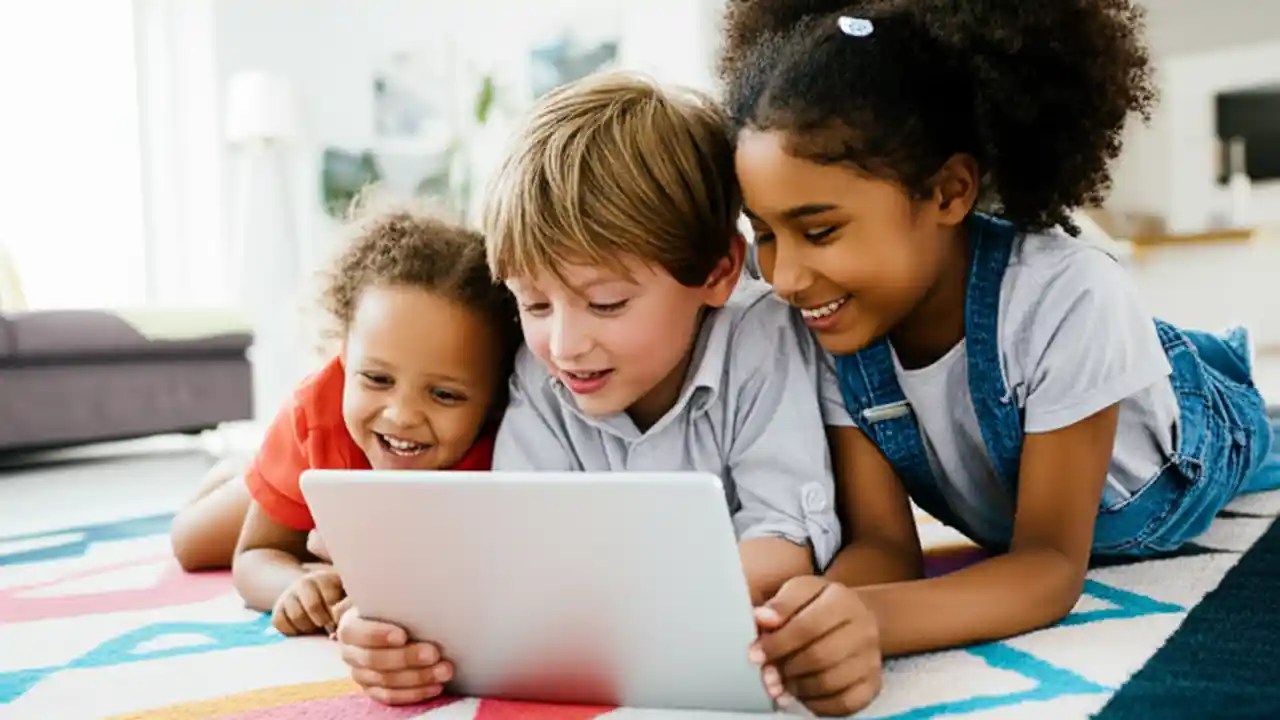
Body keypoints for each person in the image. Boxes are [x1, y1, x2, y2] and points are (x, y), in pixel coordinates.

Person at [718, 0, 1280, 714]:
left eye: (820, 231)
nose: (785, 278)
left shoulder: (1067, 296)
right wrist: (808, 616)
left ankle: (1224, 368)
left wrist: (875, 621)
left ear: (950, 192)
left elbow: (1048, 566)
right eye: (765, 234)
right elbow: (887, 546)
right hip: (1060, 413)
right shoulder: (832, 324)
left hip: (1184, 451)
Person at [333, 71, 858, 707]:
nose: (564, 345)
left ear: (718, 271)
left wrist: (621, 611)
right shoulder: (540, 371)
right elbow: (513, 550)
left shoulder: (762, 338)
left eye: (605, 303)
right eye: (534, 304)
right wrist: (396, 633)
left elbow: (782, 546)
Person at [170, 201, 520, 637]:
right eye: (377, 378)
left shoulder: (510, 447)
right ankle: (246, 474)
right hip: (306, 471)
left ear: (495, 398)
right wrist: (295, 586)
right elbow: (255, 557)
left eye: (444, 395)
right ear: (344, 353)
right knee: (191, 543)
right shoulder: (316, 416)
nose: (401, 416)